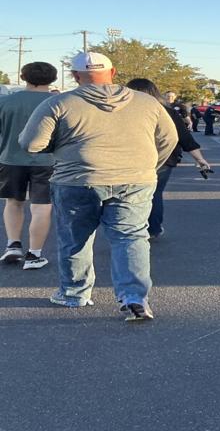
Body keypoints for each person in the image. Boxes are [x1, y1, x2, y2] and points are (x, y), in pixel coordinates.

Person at [19, 51, 176, 321]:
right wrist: (146, 166)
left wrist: (61, 149)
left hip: (77, 180)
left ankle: (74, 293)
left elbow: (31, 144)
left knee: (75, 238)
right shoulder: (147, 103)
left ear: (75, 75)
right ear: (113, 73)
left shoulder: (59, 103)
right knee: (131, 237)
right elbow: (168, 139)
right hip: (135, 179)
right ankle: (134, 299)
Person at [126, 78, 212, 241]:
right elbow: (185, 138)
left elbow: (184, 138)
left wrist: (200, 159)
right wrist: (200, 160)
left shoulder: (129, 112)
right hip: (164, 158)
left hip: (142, 158)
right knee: (153, 193)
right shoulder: (167, 111)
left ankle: (141, 226)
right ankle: (152, 228)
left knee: (139, 193)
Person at [0, 62, 59, 271]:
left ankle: (13, 245)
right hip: (48, 161)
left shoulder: (5, 101)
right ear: (52, 78)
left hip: (10, 158)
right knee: (42, 206)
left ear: (23, 77)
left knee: (13, 202)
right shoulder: (58, 102)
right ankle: (34, 254)